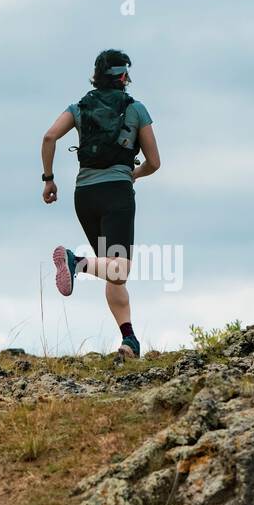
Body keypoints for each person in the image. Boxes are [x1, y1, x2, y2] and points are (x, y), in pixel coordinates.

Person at [41, 48, 161, 360]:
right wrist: (133, 174)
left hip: (85, 196)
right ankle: (75, 262)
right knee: (119, 268)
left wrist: (49, 179)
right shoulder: (136, 109)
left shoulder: (79, 107)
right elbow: (154, 162)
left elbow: (49, 137)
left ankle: (129, 340)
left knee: (110, 269)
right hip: (117, 193)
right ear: (123, 76)